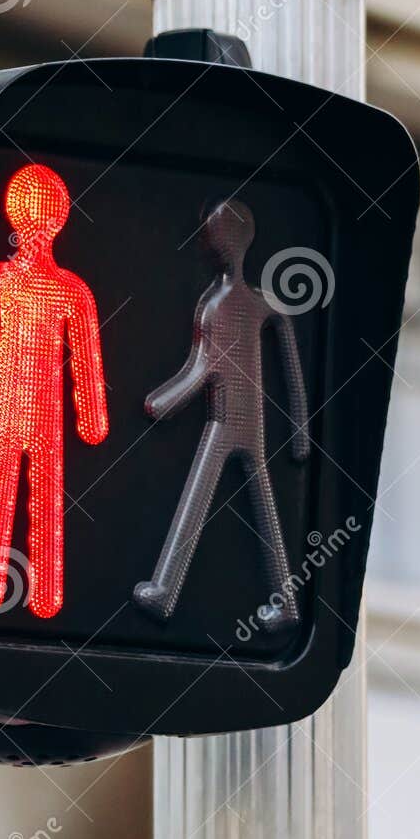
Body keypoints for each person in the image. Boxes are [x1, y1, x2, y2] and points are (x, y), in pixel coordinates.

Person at [134, 198, 308, 632]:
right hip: (252, 423)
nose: (214, 244)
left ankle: (165, 590)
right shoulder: (263, 305)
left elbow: (202, 369)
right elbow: (293, 377)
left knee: (199, 498)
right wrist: (301, 434)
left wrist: (163, 403)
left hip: (227, 418)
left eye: (217, 237)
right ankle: (284, 604)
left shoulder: (224, 308)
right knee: (260, 503)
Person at [0, 163, 108, 619]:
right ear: (61, 217)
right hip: (46, 416)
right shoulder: (71, 290)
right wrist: (92, 421)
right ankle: (44, 596)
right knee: (47, 505)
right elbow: (89, 368)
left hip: (7, 411)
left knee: (1, 496)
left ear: (14, 214)